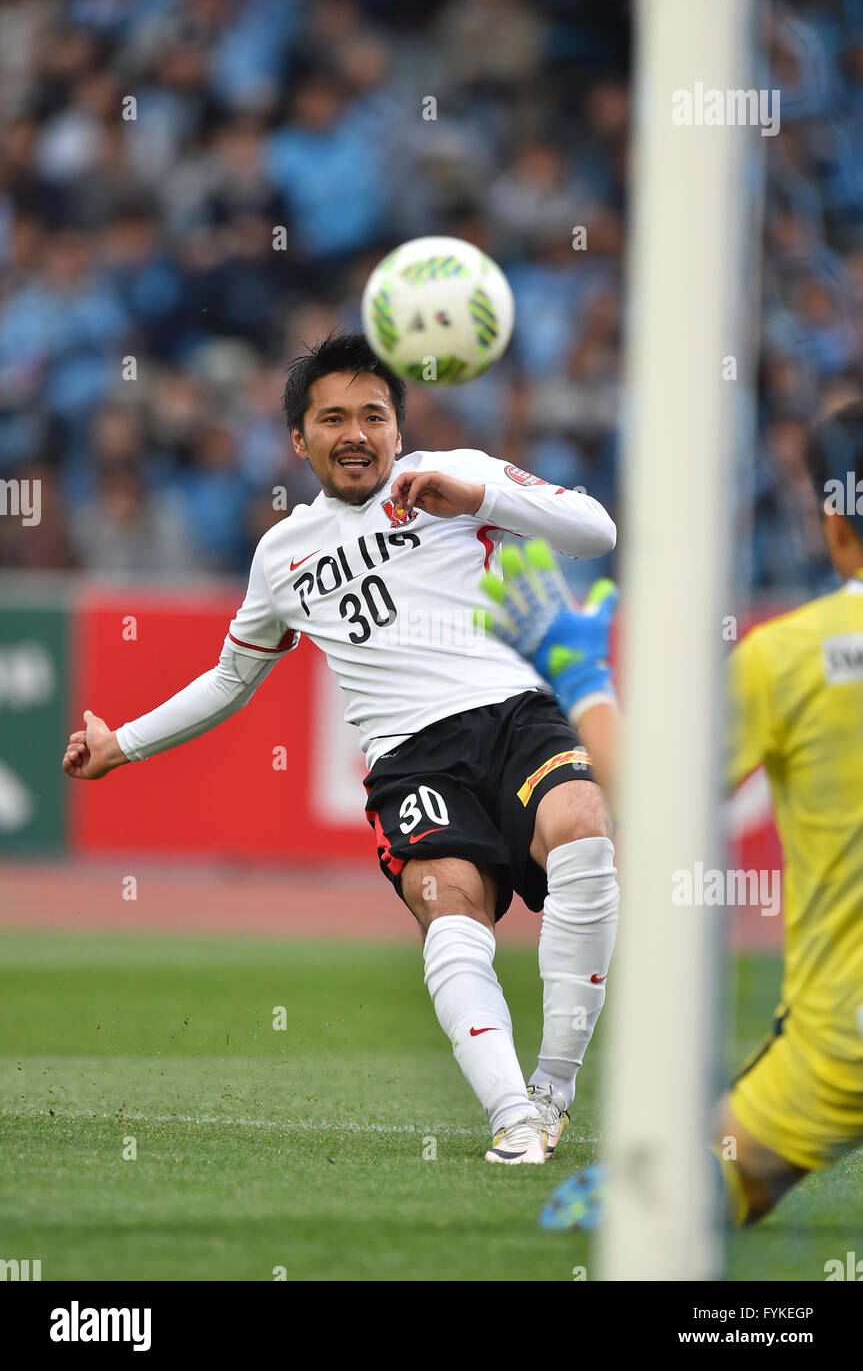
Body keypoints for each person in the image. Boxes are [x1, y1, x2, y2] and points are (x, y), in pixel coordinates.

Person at [63, 332, 619, 1165]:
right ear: (299, 439)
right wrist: (123, 745)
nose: (355, 432)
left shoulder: (460, 474)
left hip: (515, 714)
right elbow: (229, 679)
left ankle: (552, 1087)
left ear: (398, 426)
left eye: (373, 414)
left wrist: (478, 497)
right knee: (447, 906)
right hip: (410, 762)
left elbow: (595, 529)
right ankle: (512, 1117)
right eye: (333, 418)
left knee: (582, 825)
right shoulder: (281, 556)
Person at [479, 402, 863, 1220]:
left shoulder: (789, 656)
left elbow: (654, 807)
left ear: (833, 523)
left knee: (640, 1221)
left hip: (844, 1045)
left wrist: (580, 679)